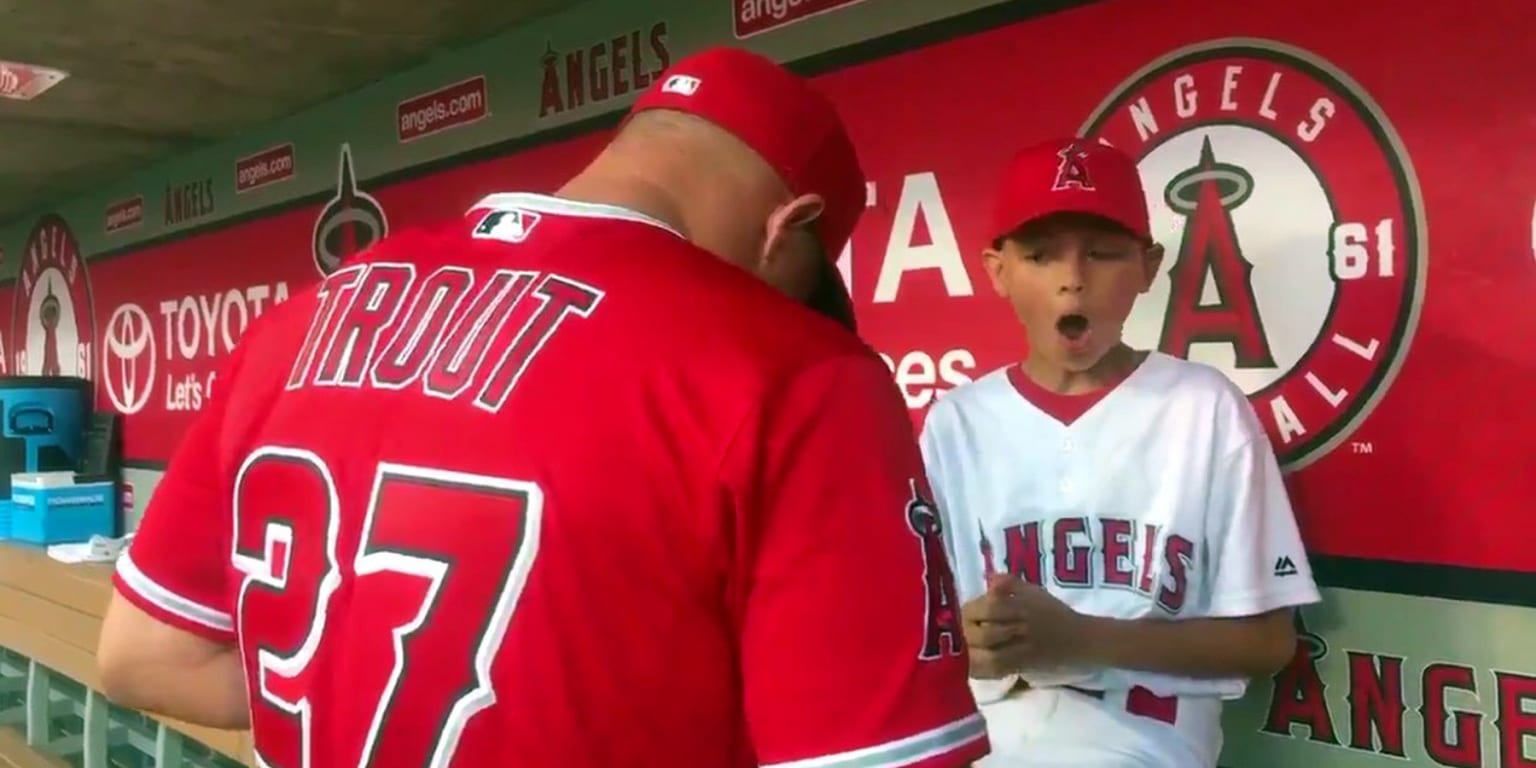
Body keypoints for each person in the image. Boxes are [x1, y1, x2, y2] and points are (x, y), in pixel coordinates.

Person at [96, 47, 989, 768]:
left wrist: (376, 690)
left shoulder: (300, 323)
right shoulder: (800, 373)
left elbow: (140, 657)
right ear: (785, 230)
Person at [917, 137, 1320, 767]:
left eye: (1102, 253)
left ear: (1147, 266)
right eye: (1041, 255)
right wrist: (972, 641)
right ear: (998, 270)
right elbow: (927, 635)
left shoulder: (1203, 408)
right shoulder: (956, 423)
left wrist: (1082, 639)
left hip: (1145, 740)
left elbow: (1268, 641)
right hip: (988, 736)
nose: (1073, 279)